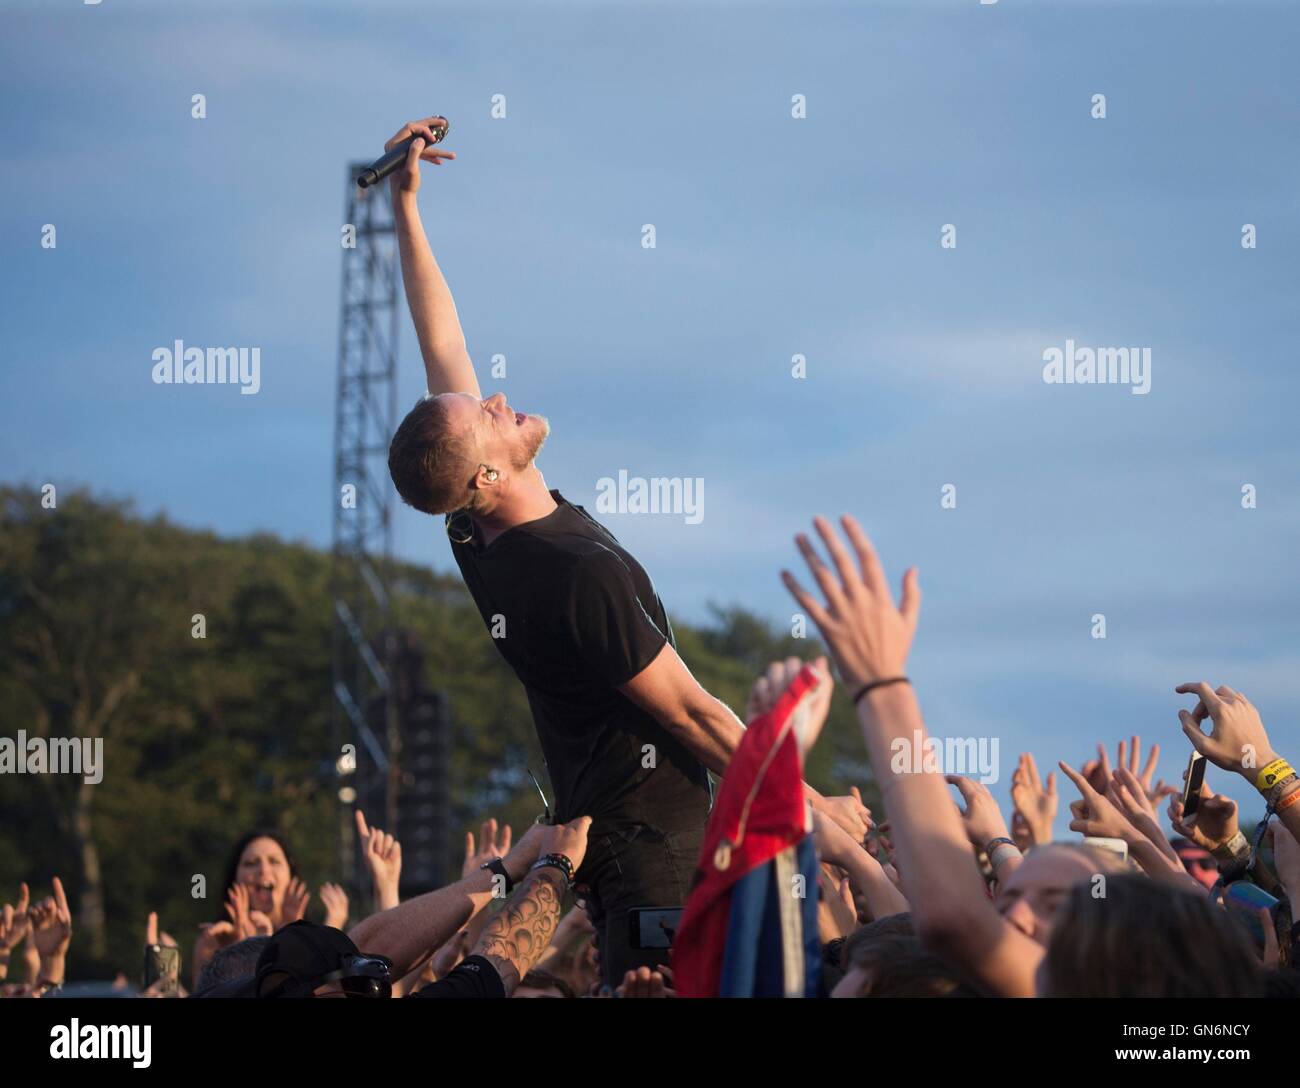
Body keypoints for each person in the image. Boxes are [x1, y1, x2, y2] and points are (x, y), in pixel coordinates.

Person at [380, 116, 869, 984]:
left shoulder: (473, 525)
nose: (494, 394)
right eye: (486, 413)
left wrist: (408, 211)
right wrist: (821, 819)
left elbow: (441, 350)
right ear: (487, 472)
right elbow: (694, 716)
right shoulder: (577, 577)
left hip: (620, 844)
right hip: (654, 860)